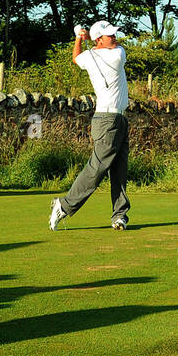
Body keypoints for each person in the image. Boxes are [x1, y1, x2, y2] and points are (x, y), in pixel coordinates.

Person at [49, 21, 130, 230]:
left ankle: (119, 215)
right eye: (110, 35)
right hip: (107, 120)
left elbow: (76, 58)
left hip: (119, 119)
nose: (115, 38)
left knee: (119, 169)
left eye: (114, 34)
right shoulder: (118, 54)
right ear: (99, 39)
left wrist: (78, 37)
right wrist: (84, 37)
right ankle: (64, 205)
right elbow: (81, 57)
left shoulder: (91, 56)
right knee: (98, 168)